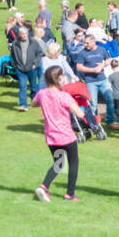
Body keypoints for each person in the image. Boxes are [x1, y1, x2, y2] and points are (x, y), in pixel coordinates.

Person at [32, 65, 87, 202]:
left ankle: (44, 187)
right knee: (73, 163)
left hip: (51, 136)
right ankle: (70, 194)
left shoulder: (42, 94)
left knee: (59, 164)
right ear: (60, 78)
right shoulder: (64, 96)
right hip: (66, 136)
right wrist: (81, 106)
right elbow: (80, 114)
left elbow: (33, 104)